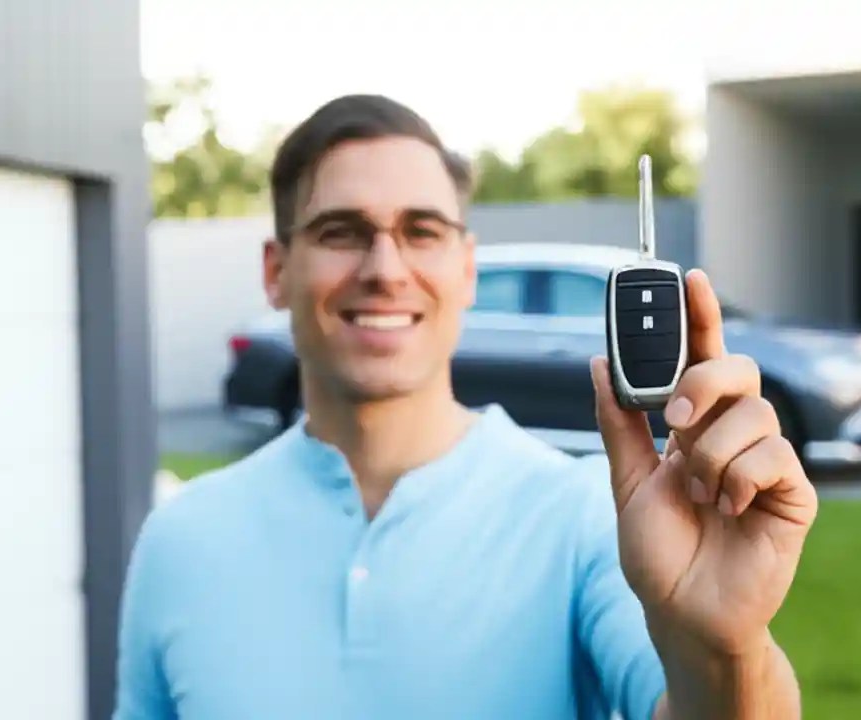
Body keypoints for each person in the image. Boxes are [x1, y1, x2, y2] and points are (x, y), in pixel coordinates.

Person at [114, 94, 818, 720]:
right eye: (341, 232)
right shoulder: (178, 541)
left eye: (421, 231)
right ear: (276, 271)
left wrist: (724, 652)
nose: (385, 270)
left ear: (467, 268)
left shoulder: (590, 517)